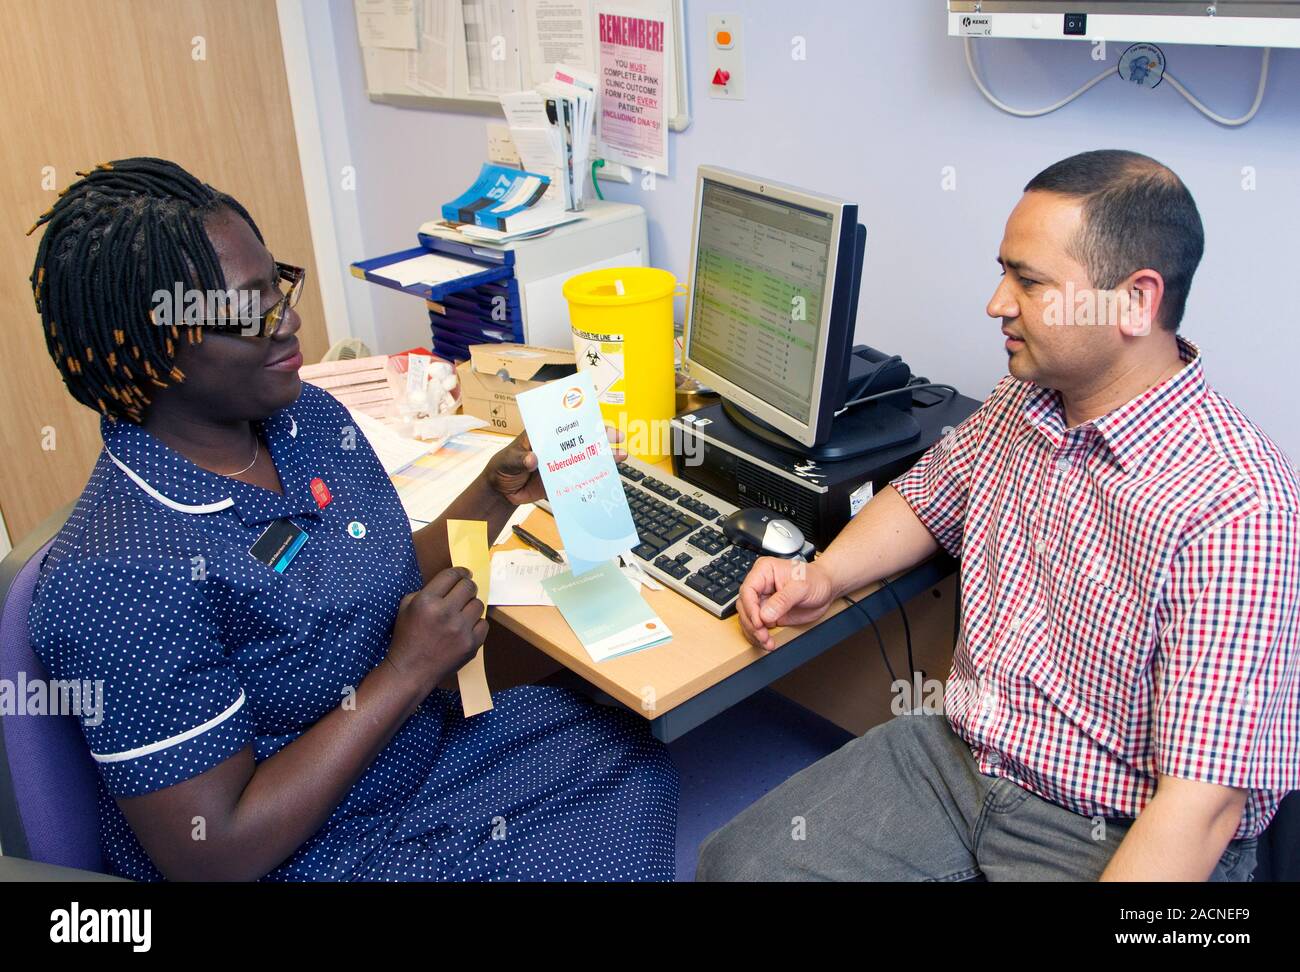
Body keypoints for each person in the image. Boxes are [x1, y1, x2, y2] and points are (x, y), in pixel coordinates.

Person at [25, 157, 677, 881]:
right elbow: (218, 850)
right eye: (252, 309)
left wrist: (493, 496)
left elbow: (372, 585)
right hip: (310, 854)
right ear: (153, 349)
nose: (290, 320)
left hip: (408, 764)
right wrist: (405, 673)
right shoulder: (115, 577)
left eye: (279, 286)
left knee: (625, 749)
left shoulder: (302, 419)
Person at [700, 149, 1299, 882]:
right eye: (1003, 270)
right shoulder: (1027, 398)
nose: (997, 302)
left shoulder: (1238, 507)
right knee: (737, 867)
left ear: (1136, 301)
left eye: (1030, 281)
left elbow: (1199, 809)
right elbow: (925, 498)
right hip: (960, 759)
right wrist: (823, 577)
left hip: (1112, 825)